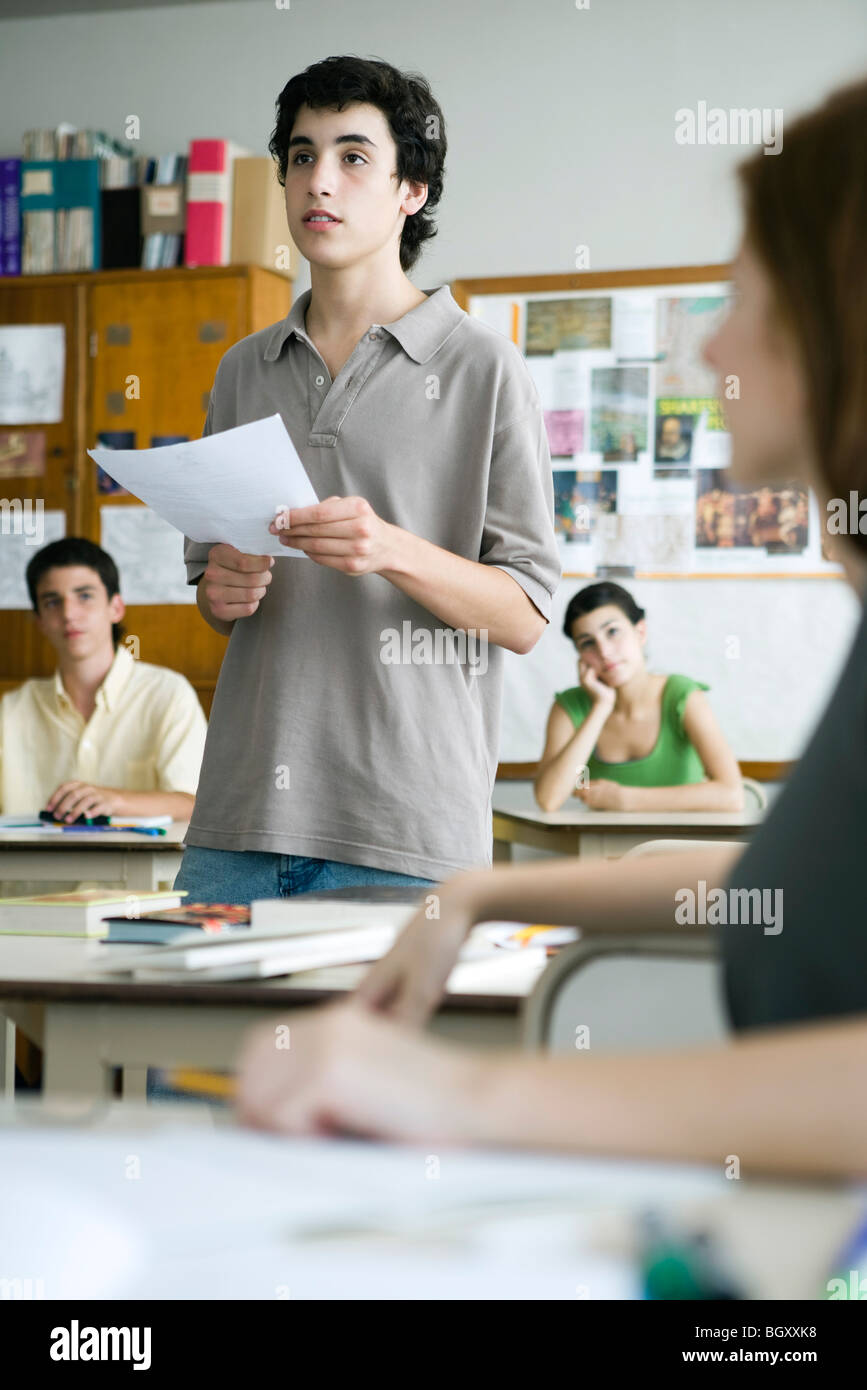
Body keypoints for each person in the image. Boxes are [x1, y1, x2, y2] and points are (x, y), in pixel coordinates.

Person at [236, 78, 867, 1179]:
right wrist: (484, 892)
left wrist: (465, 1091)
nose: (710, 350)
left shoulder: (477, 364)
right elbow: (791, 881)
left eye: (745, 294)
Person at [174, 56, 560, 906]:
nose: (320, 181)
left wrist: (389, 549)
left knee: (379, 1048)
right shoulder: (243, 369)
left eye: (353, 157)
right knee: (185, 1045)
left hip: (403, 830)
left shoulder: (483, 369)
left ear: (409, 191)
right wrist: (223, 587)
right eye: (301, 155)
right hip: (237, 821)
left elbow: (528, 616)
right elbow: (212, 589)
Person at [0, 537, 206, 822]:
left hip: (137, 866)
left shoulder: (168, 694)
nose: (69, 614)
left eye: (84, 596)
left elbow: (197, 804)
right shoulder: (11, 710)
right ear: (40, 621)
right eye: (52, 601)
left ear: (115, 608)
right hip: (32, 867)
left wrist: (116, 800)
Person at [534, 581, 743, 812]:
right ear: (580, 656)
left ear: (640, 632)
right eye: (587, 643)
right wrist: (601, 707)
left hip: (680, 845)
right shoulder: (570, 706)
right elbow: (548, 799)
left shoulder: (681, 696)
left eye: (612, 632)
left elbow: (731, 795)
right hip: (604, 846)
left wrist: (624, 799)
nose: (604, 652)